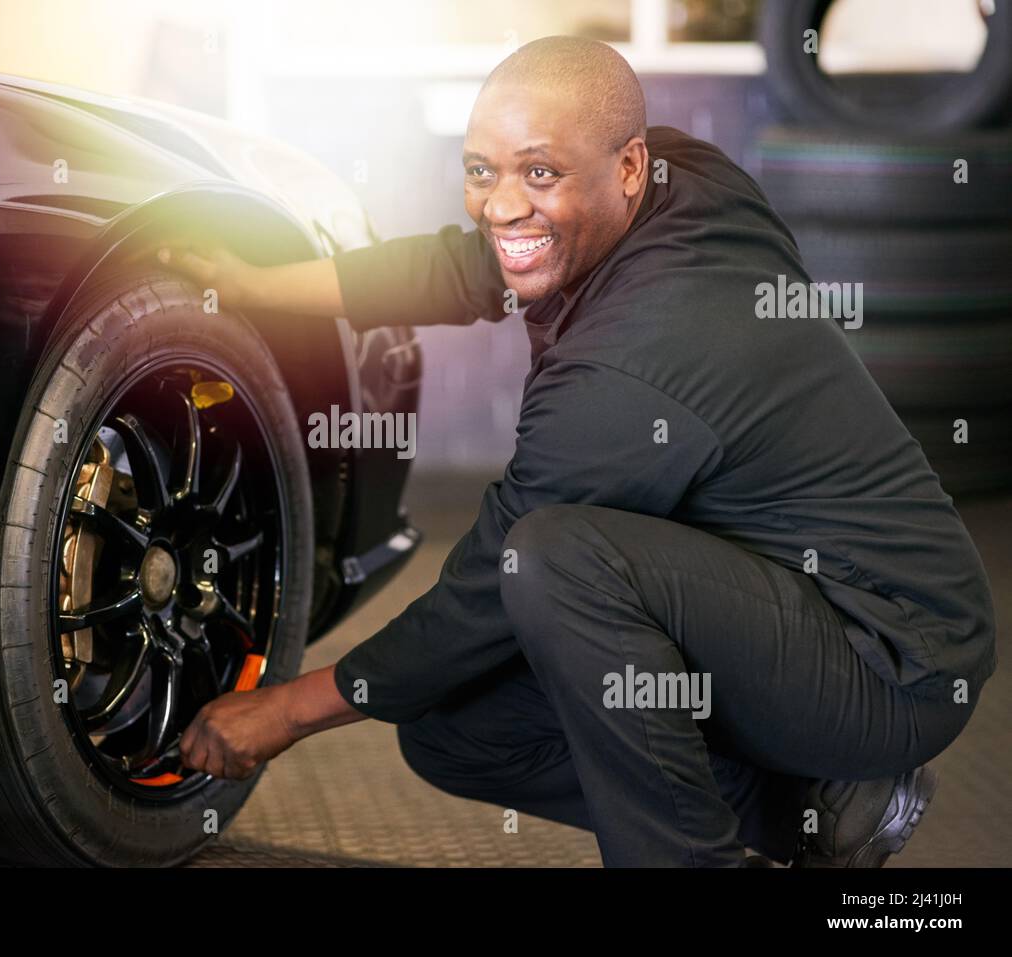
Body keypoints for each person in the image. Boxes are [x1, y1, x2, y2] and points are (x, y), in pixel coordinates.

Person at [156, 36, 996, 867]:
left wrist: (284, 712)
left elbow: (487, 585)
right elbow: (467, 264)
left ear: (627, 168)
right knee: (455, 731)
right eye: (482, 170)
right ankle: (818, 811)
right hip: (779, 595)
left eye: (539, 173)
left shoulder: (627, 367)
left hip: (890, 657)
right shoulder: (679, 176)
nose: (501, 205)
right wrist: (255, 285)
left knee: (553, 559)